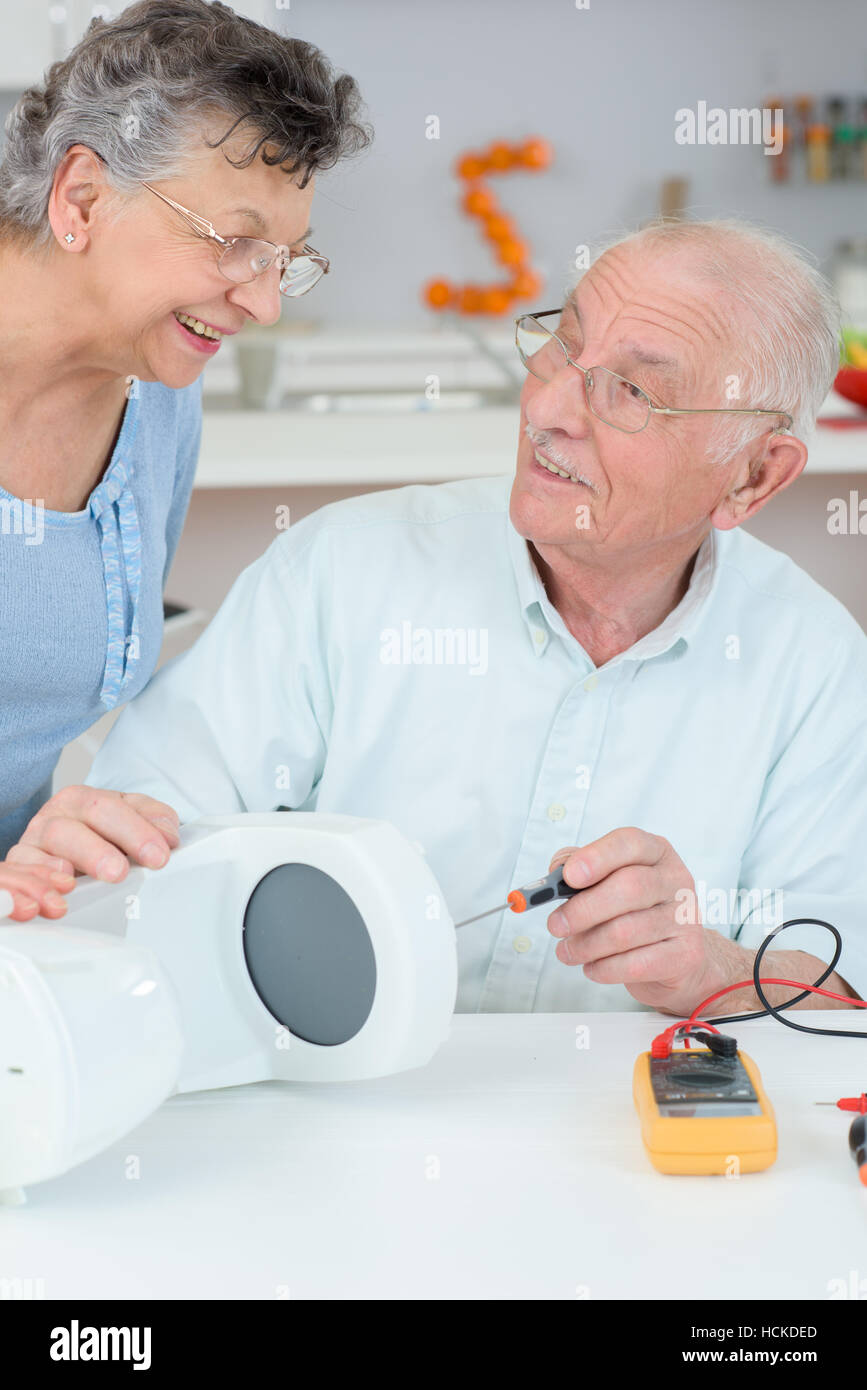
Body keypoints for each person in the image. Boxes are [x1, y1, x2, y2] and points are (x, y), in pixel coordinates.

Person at [12, 219, 867, 1019]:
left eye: (633, 392)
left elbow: (845, 988)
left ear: (754, 477)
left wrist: (704, 965)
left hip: (647, 1151)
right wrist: (92, 856)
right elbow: (125, 861)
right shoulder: (342, 572)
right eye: (561, 348)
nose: (548, 411)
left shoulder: (815, 665)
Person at [0, 0, 369, 918]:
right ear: (82, 197)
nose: (266, 302)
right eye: (234, 243)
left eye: (285, 259)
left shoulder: (158, 390)